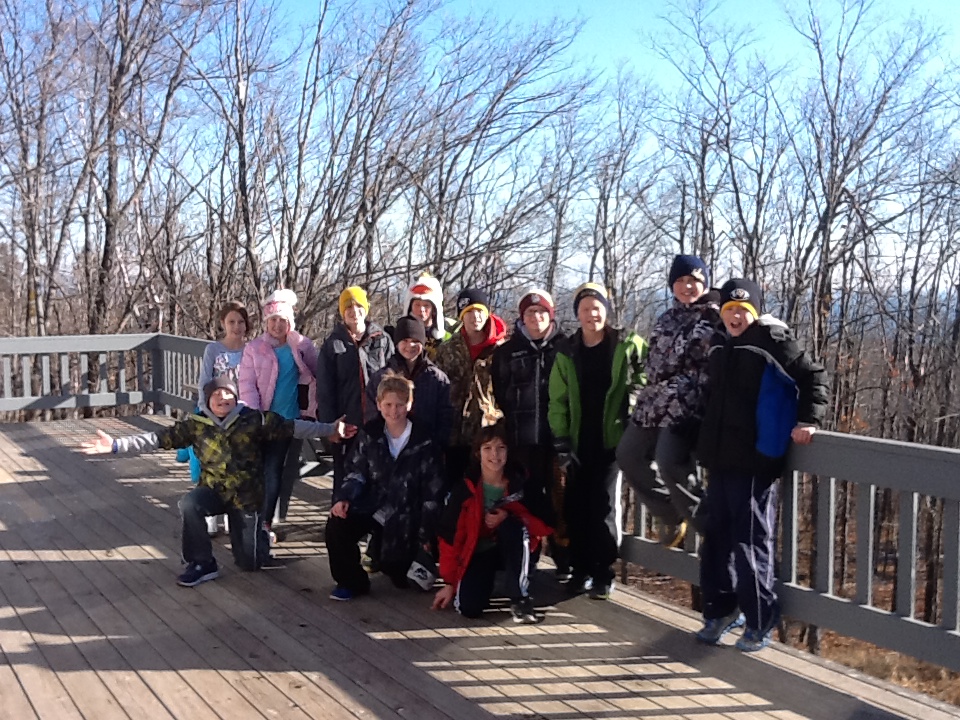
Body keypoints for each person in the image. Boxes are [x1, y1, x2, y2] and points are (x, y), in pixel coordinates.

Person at [81, 376, 355, 587]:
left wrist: (331, 429)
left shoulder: (254, 419)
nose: (223, 398)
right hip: (213, 491)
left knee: (250, 563)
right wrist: (116, 445)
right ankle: (201, 563)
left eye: (228, 394)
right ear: (207, 400)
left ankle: (256, 536)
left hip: (247, 497)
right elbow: (156, 439)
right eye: (217, 395)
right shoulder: (197, 425)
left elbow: (294, 426)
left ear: (235, 397)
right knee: (189, 503)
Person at [694, 278, 828, 652]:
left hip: (756, 456)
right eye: (729, 310)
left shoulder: (772, 341)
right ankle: (720, 611)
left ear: (753, 312)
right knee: (716, 538)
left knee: (750, 541)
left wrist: (808, 420)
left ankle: (760, 620)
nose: (735, 317)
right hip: (720, 456)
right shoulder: (720, 343)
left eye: (742, 310)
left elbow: (814, 376)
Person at [548, 283, 647, 600]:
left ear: (607, 309)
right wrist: (561, 439)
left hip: (613, 441)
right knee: (576, 507)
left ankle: (603, 573)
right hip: (578, 441)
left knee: (603, 507)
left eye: (597, 307)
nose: (592, 314)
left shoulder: (626, 344)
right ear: (577, 314)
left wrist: (636, 412)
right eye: (585, 309)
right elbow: (557, 399)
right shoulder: (567, 350)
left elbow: (647, 379)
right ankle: (579, 570)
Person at [616, 255, 722, 547]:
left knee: (668, 461)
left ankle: (714, 535)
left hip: (687, 406)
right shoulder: (667, 317)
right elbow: (654, 364)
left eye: (694, 281)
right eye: (681, 281)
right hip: (654, 402)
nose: (688, 286)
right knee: (627, 454)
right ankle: (672, 514)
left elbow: (706, 367)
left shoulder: (713, 318)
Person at [325, 375, 444, 600]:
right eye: (388, 404)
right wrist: (344, 497)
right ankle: (351, 581)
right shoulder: (370, 433)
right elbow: (356, 471)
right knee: (337, 524)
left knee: (400, 576)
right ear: (379, 405)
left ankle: (385, 556)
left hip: (407, 513)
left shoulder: (425, 439)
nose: (393, 410)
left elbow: (433, 490)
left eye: (400, 404)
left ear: (409, 405)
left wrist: (426, 535)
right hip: (372, 503)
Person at [431, 421, 552, 624]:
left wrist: (511, 516)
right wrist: (450, 582)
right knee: (469, 608)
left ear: (508, 452)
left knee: (512, 527)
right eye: (487, 448)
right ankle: (488, 583)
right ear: (478, 453)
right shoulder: (465, 488)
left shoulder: (521, 483)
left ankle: (520, 598)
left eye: (500, 448)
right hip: (478, 552)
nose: (494, 455)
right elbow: (450, 537)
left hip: (513, 550)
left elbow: (546, 524)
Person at [491, 288, 569, 578]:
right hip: (522, 438)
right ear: (521, 317)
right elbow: (500, 391)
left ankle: (564, 560)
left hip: (558, 439)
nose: (536, 317)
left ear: (550, 315)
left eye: (541, 312)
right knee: (528, 497)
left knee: (562, 498)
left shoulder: (565, 347)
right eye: (529, 313)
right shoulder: (508, 351)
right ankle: (530, 558)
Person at [237, 289, 319, 541]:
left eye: (282, 320)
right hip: (262, 420)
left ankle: (264, 523)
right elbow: (247, 383)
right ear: (266, 323)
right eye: (272, 320)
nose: (276, 325)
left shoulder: (301, 346)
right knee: (255, 469)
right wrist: (255, 415)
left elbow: (317, 373)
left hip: (289, 420)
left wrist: (312, 411)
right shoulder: (255, 348)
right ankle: (247, 519)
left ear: (289, 323)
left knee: (274, 470)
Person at [317, 286, 395, 494]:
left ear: (366, 308)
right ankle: (341, 523)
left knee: (378, 479)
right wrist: (329, 427)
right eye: (348, 307)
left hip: (379, 423)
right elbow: (324, 390)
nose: (354, 310)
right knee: (344, 481)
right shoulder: (333, 344)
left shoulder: (383, 340)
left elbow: (395, 382)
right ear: (342, 312)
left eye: (358, 305)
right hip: (346, 425)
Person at [434, 287, 507, 487]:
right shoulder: (447, 350)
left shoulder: (500, 351)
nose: (475, 316)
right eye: (469, 312)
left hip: (487, 433)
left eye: (480, 311)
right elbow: (437, 389)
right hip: (452, 433)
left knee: (484, 488)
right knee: (455, 489)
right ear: (461, 316)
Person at [194, 300, 250, 536]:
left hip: (240, 414)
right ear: (222, 323)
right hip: (214, 412)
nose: (236, 327)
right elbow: (204, 382)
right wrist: (204, 412)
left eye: (240, 322)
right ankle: (210, 517)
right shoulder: (213, 350)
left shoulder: (252, 349)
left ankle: (232, 515)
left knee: (236, 467)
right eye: (231, 322)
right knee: (212, 465)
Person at [365, 315, 453, 448]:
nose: (410, 345)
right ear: (397, 342)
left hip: (426, 451)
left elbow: (446, 417)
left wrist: (436, 446)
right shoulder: (381, 378)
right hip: (388, 448)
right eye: (405, 340)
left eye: (415, 341)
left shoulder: (437, 379)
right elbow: (371, 415)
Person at [402, 273, 454, 359]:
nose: (421, 309)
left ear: (434, 308)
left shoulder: (448, 333)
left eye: (426, 305)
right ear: (410, 307)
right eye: (417, 305)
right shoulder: (400, 334)